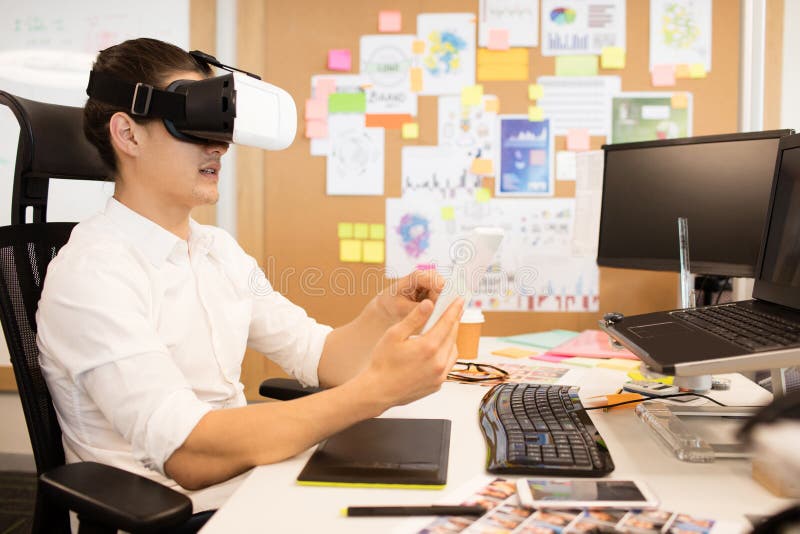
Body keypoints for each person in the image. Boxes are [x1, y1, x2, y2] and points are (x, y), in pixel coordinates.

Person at [35, 37, 463, 513]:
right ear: (128, 135)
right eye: (194, 123)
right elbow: (189, 455)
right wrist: (373, 393)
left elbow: (318, 356)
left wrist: (383, 314)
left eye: (222, 125)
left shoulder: (219, 252)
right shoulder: (91, 275)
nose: (220, 145)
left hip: (253, 484)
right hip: (174, 513)